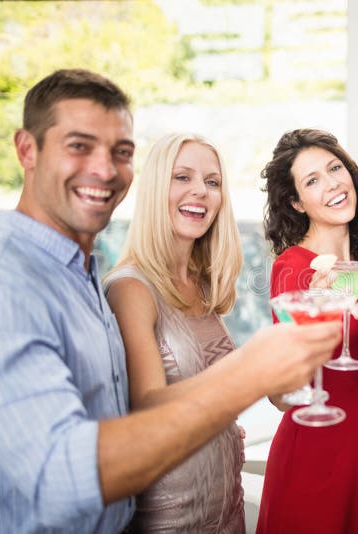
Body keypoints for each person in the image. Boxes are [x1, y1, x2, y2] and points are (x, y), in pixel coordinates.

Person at [0, 69, 341, 533]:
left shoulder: (88, 275)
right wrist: (250, 371)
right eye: (78, 146)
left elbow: (120, 413)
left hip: (224, 508)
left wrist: (272, 378)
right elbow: (87, 454)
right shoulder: (49, 282)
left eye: (121, 153)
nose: (103, 168)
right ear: (26, 150)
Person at [104, 133, 245, 532]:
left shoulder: (202, 284)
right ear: (154, 190)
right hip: (171, 517)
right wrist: (253, 368)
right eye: (181, 177)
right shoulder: (131, 288)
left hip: (227, 507)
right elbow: (149, 406)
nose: (200, 190)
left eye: (212, 182)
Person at [256, 128, 358, 534]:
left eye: (335, 168)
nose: (333, 185)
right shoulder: (294, 268)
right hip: (318, 456)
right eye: (312, 181)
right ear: (296, 202)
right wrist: (318, 310)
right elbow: (281, 394)